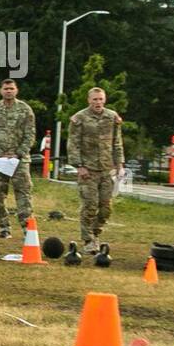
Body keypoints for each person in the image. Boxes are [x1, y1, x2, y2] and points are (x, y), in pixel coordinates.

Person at [67, 86, 125, 254]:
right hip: (88, 170)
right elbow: (73, 144)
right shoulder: (79, 118)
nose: (98, 102)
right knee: (90, 205)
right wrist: (79, 166)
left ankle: (96, 233)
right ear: (89, 100)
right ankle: (88, 240)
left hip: (107, 169)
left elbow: (117, 142)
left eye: (100, 99)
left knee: (106, 207)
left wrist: (119, 164)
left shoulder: (112, 117)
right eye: (95, 99)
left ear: (104, 100)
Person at [0, 78, 36, 238]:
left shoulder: (25, 110)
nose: (8, 91)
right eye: (6, 88)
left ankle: (27, 227)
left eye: (11, 88)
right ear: (1, 91)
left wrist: (19, 152)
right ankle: (4, 228)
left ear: (16, 90)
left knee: (24, 194)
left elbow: (30, 133)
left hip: (20, 160)